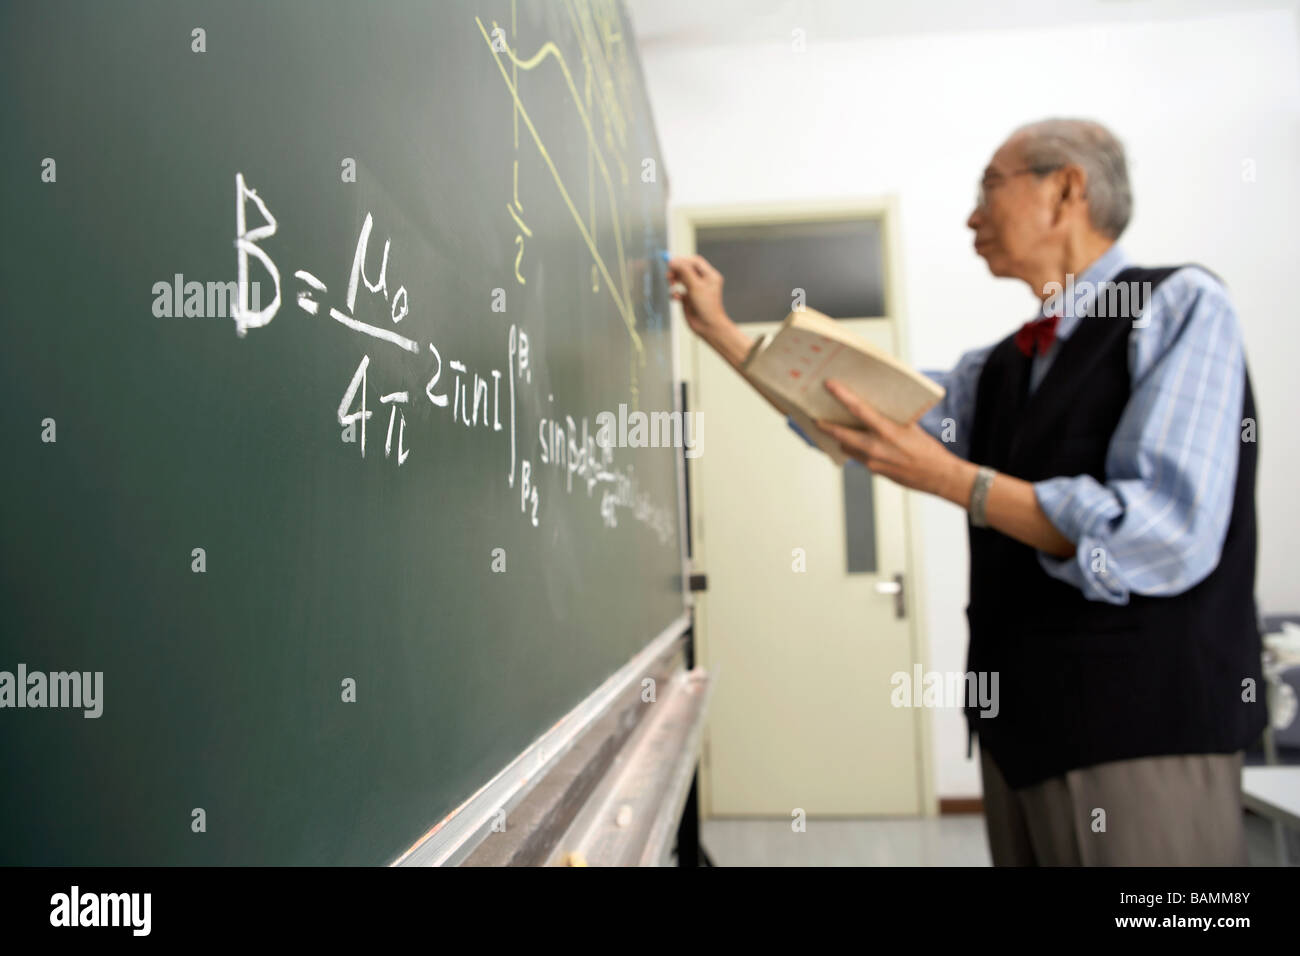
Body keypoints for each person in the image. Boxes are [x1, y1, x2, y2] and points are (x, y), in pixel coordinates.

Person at [668, 117, 1265, 866]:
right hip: (1019, 737)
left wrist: (954, 480)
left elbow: (1163, 532)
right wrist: (720, 330)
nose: (971, 217)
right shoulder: (1000, 369)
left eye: (989, 188)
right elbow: (851, 408)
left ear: (1067, 190)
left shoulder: (1181, 306)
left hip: (1142, 735)